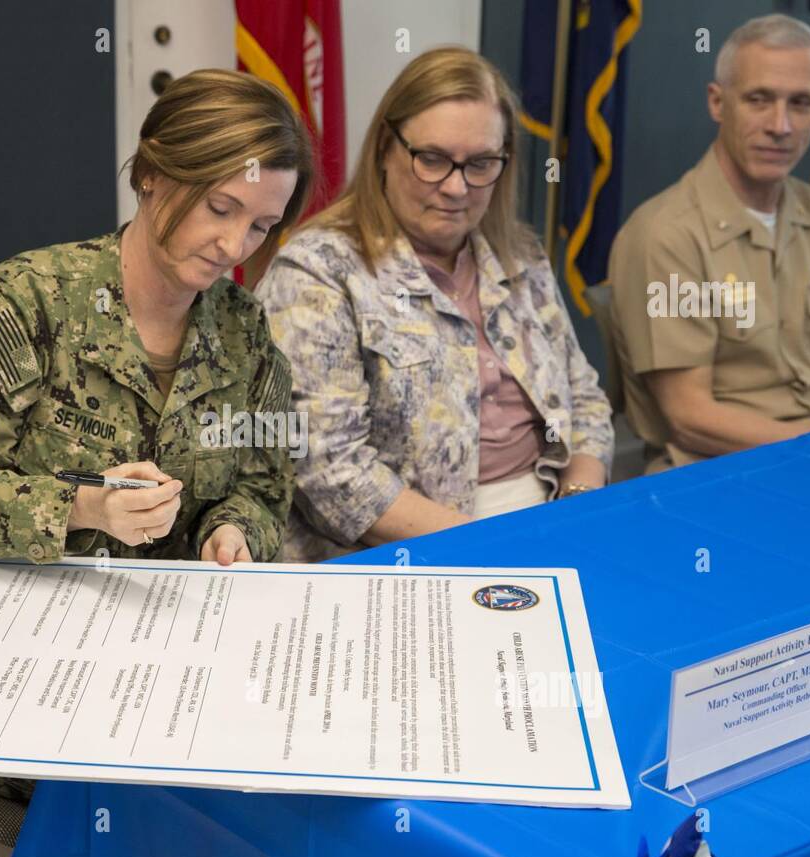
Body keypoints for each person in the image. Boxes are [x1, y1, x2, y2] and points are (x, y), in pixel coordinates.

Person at [0, 68, 315, 802]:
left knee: (274, 750)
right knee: (154, 789)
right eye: (219, 207)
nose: (235, 244)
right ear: (151, 174)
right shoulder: (29, 302)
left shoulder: (241, 330)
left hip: (149, 647)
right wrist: (80, 505)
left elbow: (264, 487)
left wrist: (234, 530)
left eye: (262, 225)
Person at [255, 46, 613, 564]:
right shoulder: (318, 270)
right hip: (412, 550)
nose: (455, 187)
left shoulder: (521, 254)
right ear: (385, 148)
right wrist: (495, 546)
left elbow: (584, 398)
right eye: (432, 159)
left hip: (552, 518)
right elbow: (330, 471)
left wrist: (579, 505)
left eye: (481, 164)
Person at [608, 14, 810, 474]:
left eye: (800, 103)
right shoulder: (666, 234)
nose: (780, 125)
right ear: (718, 103)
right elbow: (690, 418)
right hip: (714, 471)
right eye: (759, 100)